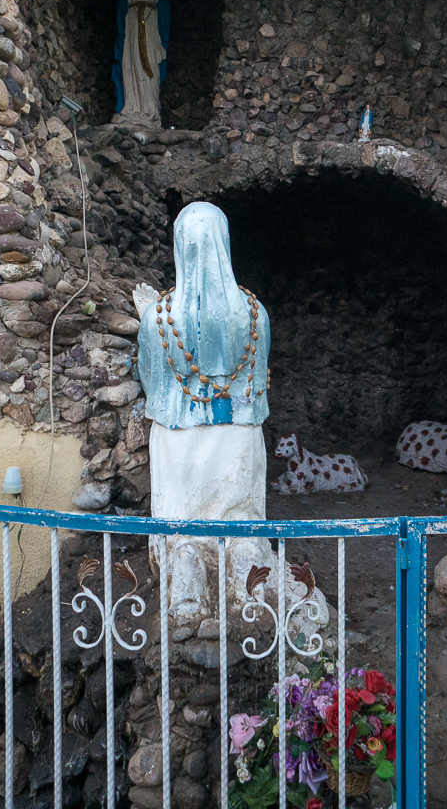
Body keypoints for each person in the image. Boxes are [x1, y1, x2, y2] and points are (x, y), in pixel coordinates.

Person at [137, 203, 328, 631]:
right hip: (239, 431)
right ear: (225, 244)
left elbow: (151, 381)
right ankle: (248, 587)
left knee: (183, 526)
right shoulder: (255, 313)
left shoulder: (157, 317)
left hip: (177, 435)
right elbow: (258, 377)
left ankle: (186, 589)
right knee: (240, 519)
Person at [111, 0, 171, 129]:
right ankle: (131, 108)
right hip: (132, 33)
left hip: (152, 34)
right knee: (130, 68)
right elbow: (123, 6)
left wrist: (148, 0)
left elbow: (164, 12)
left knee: (151, 69)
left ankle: (149, 109)